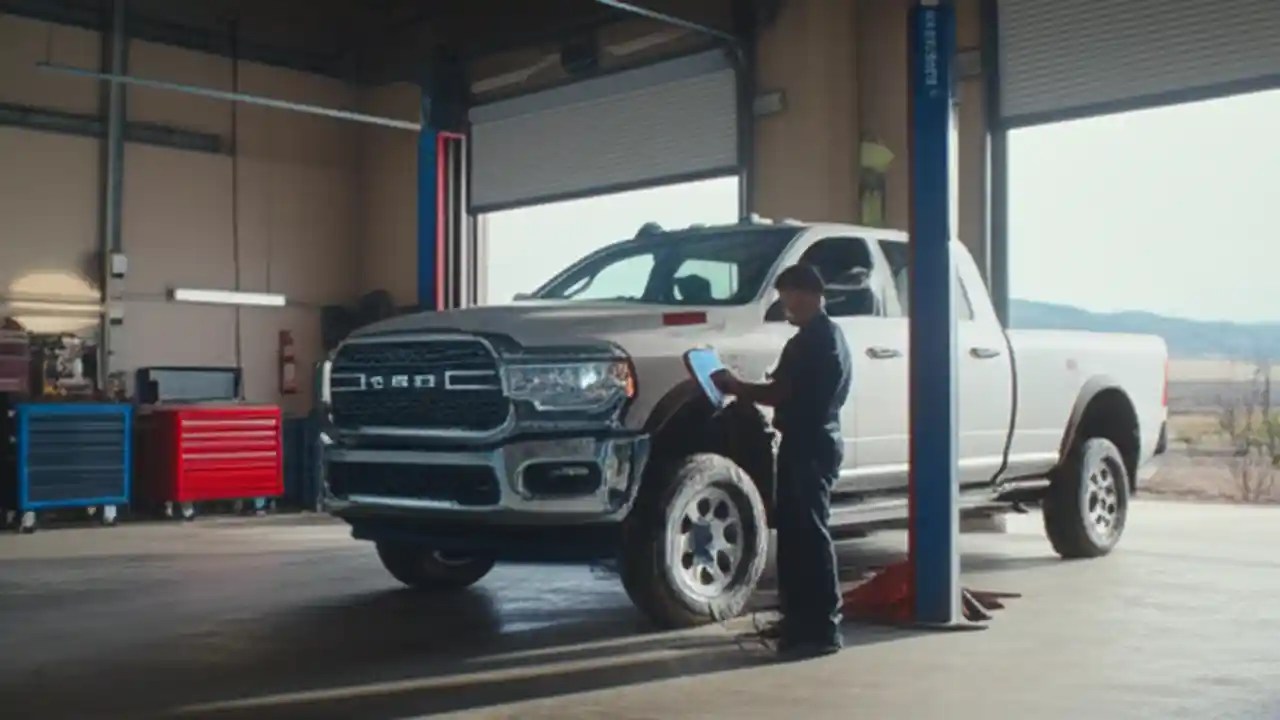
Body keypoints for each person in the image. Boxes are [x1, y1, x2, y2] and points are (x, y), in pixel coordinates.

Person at [712, 263, 852, 660]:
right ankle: (799, 620)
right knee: (795, 534)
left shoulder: (816, 341)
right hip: (809, 442)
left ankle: (823, 628)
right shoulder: (821, 336)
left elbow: (783, 394)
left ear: (806, 294)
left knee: (809, 534)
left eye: (786, 295)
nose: (784, 304)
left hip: (811, 444)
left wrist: (736, 387)